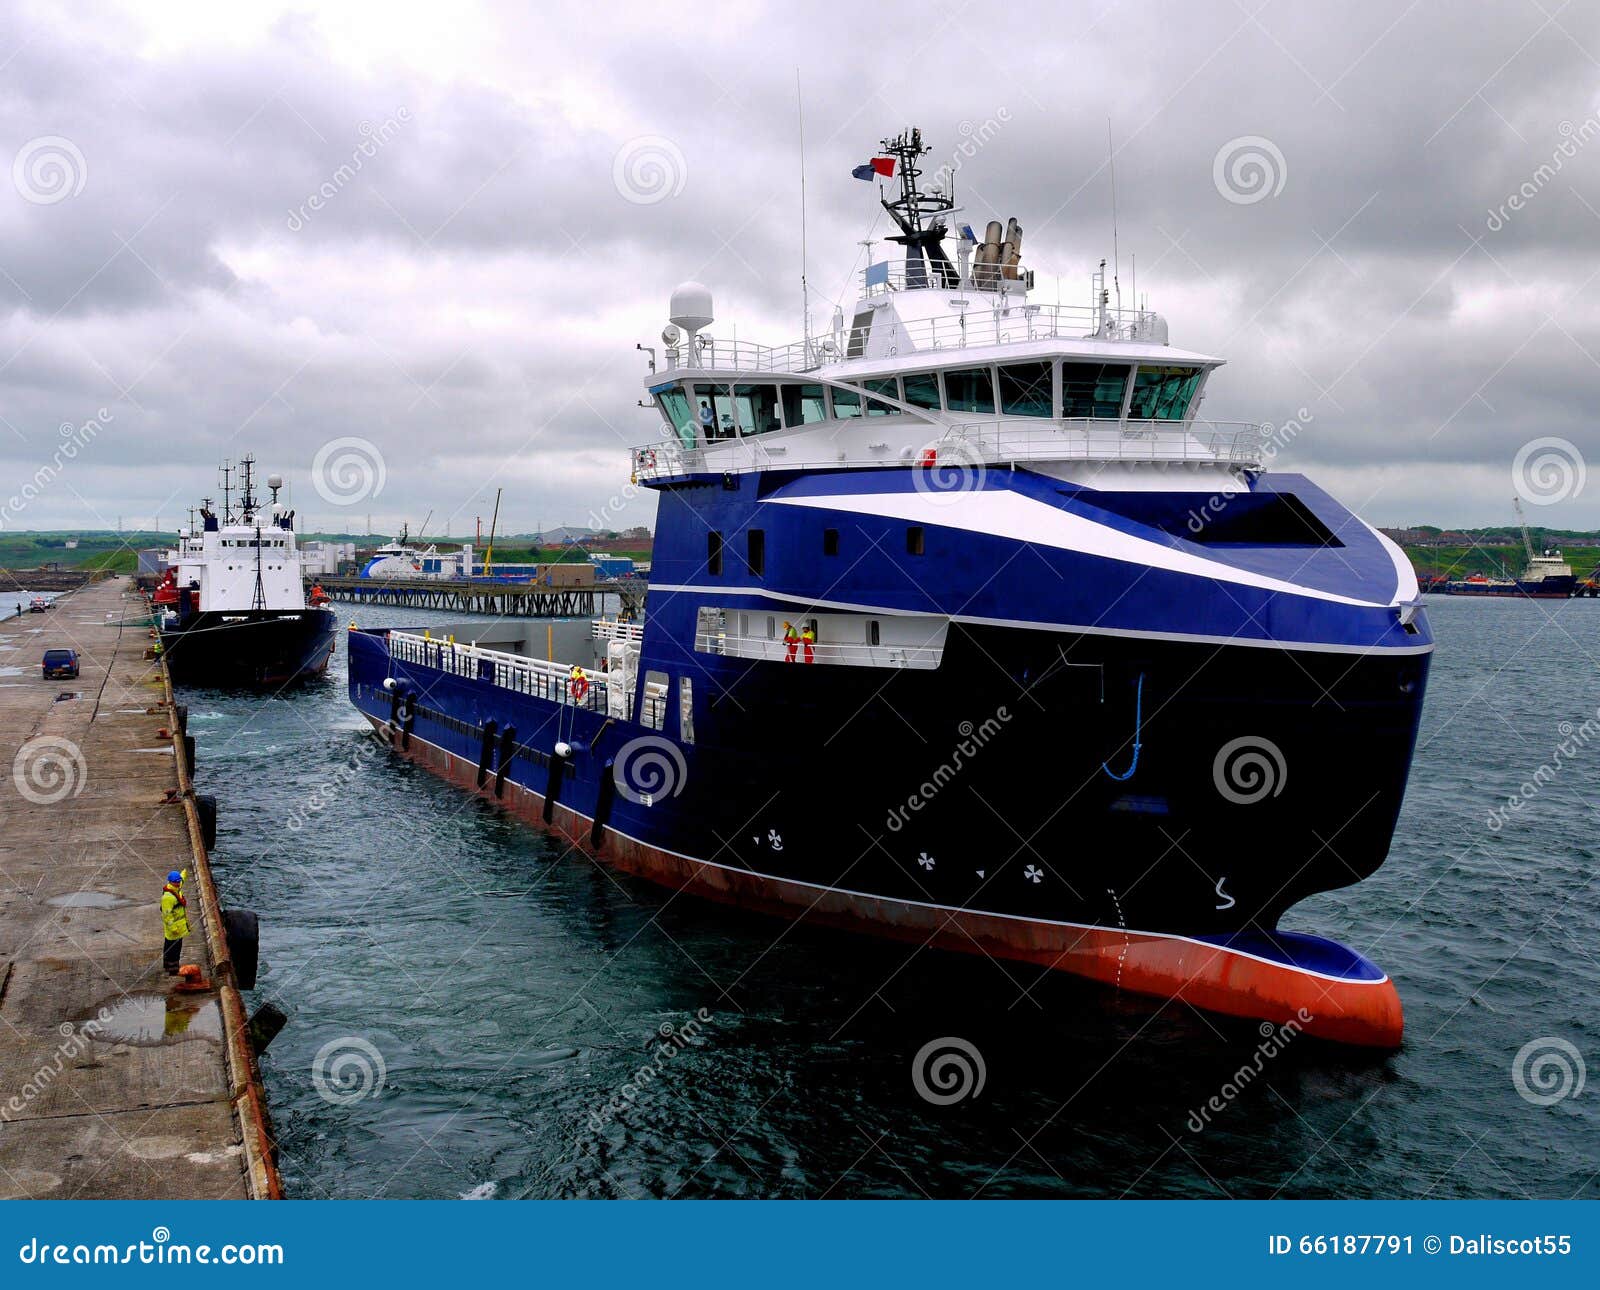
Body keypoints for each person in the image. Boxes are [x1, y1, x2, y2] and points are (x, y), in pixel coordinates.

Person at [160, 870, 189, 975]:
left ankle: (169, 966)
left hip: (179, 927)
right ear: (170, 882)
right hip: (173, 929)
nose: (178, 883)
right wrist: (173, 929)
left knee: (174, 947)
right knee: (173, 950)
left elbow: (182, 880)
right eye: (176, 881)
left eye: (178, 881)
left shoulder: (176, 888)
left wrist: (184, 873)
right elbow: (167, 915)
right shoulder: (167, 898)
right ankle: (172, 970)